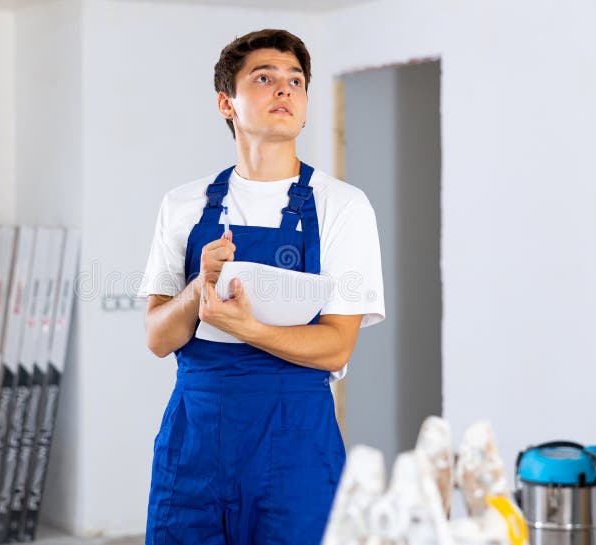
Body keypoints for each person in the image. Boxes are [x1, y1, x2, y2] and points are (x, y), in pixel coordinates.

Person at [137, 28, 386, 545]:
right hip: (194, 444)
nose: (285, 90)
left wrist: (247, 328)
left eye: (296, 80)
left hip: (294, 445)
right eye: (265, 78)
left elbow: (336, 344)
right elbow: (158, 338)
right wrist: (198, 288)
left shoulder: (342, 206)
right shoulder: (183, 205)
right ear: (226, 103)